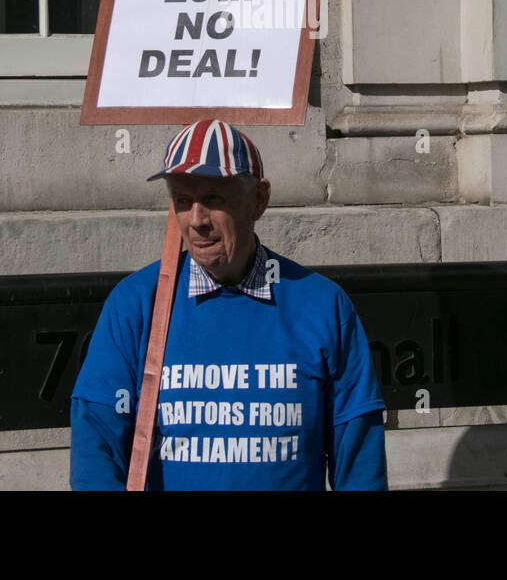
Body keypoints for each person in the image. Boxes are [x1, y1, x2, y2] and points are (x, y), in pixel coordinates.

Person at [69, 118, 387, 490]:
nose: (197, 220)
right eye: (183, 201)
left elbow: (360, 461)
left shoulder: (323, 306)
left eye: (213, 199)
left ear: (259, 199)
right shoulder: (136, 304)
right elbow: (95, 449)